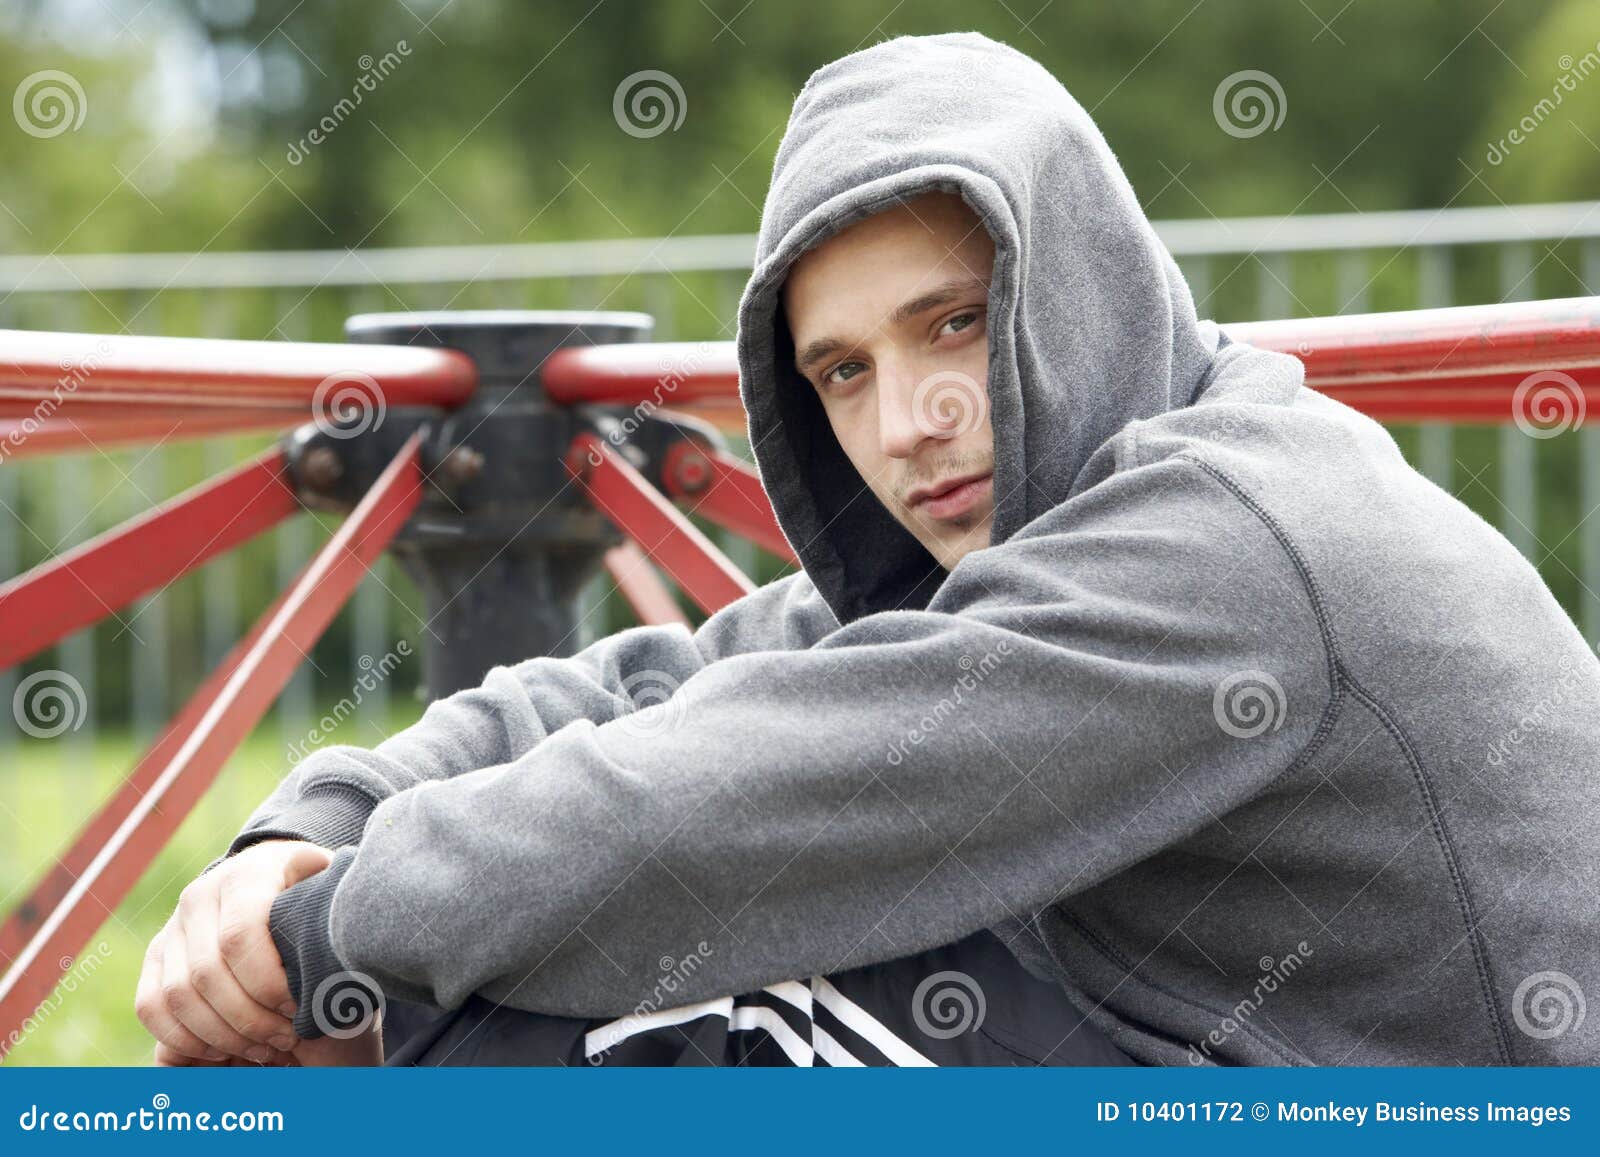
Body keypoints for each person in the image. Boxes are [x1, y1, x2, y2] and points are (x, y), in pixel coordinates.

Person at [137, 31, 1600, 1069]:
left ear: (1075, 281)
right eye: (842, 371)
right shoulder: (1060, 517)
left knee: (649, 990)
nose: (909, 422)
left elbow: (711, 811)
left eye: (954, 322)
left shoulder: (1223, 538)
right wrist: (315, 822)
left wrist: (328, 947)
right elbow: (668, 686)